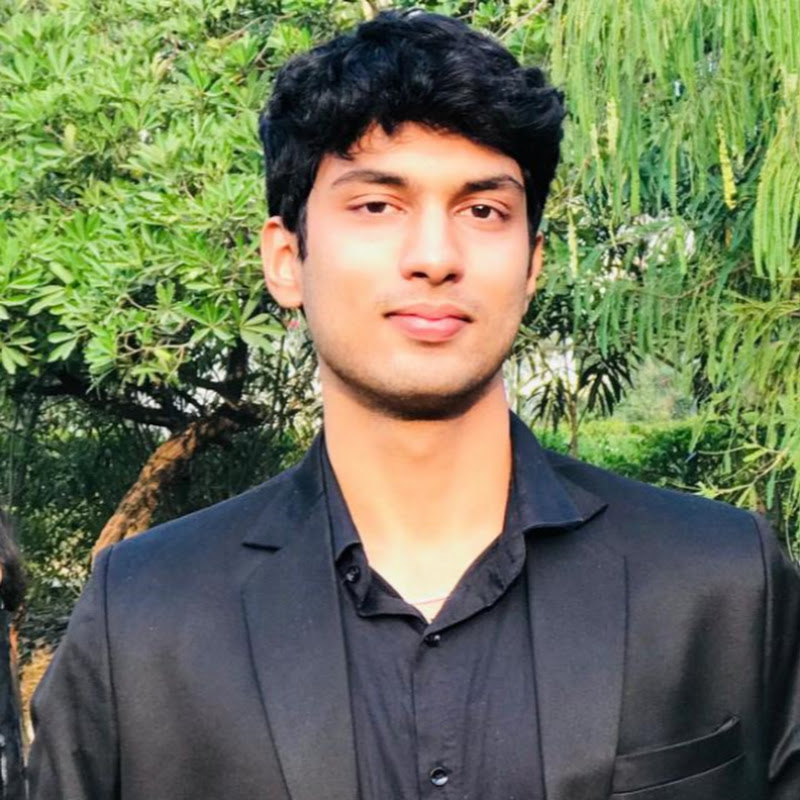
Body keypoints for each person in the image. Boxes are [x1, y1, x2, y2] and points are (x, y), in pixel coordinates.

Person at [28, 10, 800, 800]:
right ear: (287, 260)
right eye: (377, 206)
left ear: (532, 266)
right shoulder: (144, 614)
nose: (435, 257)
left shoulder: (722, 582)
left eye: (483, 211)